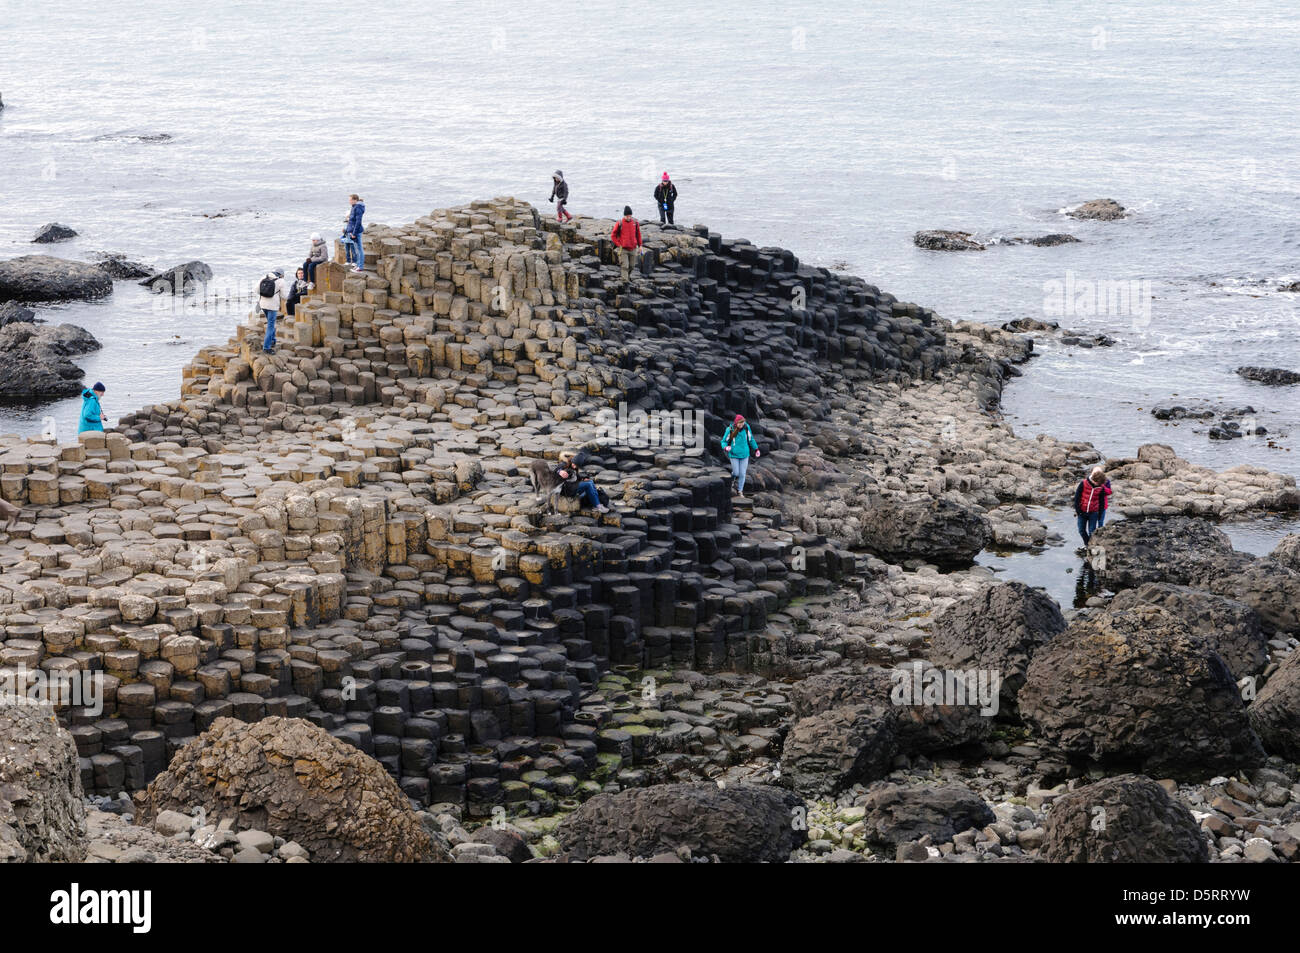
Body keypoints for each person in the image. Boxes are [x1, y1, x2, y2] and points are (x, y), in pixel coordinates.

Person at [721, 413, 760, 497]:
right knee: (736, 472)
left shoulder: (746, 428)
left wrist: (756, 449)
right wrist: (726, 447)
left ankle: (740, 491)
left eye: (742, 423)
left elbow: (751, 439)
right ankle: (732, 479)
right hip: (734, 454)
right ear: (736, 423)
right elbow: (723, 441)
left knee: (742, 474)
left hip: (745, 454)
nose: (741, 425)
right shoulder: (730, 429)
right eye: (740, 423)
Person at [1073, 466, 1112, 544]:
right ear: (1094, 480)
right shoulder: (1083, 483)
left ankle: (1091, 547)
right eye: (1098, 484)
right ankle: (1087, 544)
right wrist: (1078, 511)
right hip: (1082, 512)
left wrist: (1100, 514)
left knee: (1092, 532)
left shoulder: (1101, 487)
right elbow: (1077, 497)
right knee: (1081, 530)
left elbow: (1102, 502)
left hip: (1093, 513)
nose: (1099, 485)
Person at [258, 267, 286, 355]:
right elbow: (284, 296)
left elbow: (256, 290)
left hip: (263, 305)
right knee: (270, 325)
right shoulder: (281, 281)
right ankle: (266, 347)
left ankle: (273, 340)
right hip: (272, 306)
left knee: (270, 323)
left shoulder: (264, 277)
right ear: (281, 275)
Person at [611, 206, 642, 281]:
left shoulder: (635, 222)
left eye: (630, 216)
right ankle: (625, 282)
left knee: (632, 266)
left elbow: (638, 234)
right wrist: (619, 245)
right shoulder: (619, 223)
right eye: (627, 216)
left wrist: (640, 245)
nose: (628, 217)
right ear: (624, 215)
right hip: (623, 249)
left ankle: (626, 277)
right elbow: (613, 235)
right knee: (625, 266)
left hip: (633, 248)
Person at [345, 194, 366, 271]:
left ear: (355, 200)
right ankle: (357, 265)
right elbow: (351, 221)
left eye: (350, 200)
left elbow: (358, 222)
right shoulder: (354, 207)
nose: (349, 201)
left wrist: (354, 233)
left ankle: (360, 267)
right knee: (357, 249)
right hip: (353, 231)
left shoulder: (358, 207)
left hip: (356, 232)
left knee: (359, 250)